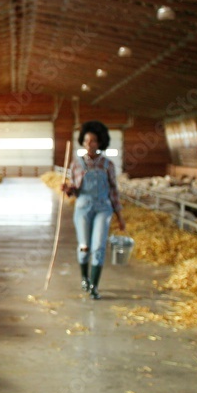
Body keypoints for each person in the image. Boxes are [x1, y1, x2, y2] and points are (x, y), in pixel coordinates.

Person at [62, 120, 126, 300]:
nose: (90, 145)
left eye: (94, 141)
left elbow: (113, 191)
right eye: (87, 141)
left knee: (98, 247)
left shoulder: (108, 165)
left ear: (100, 143)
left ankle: (94, 286)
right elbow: (74, 190)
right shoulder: (76, 164)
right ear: (83, 142)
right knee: (85, 246)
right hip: (83, 207)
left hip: (103, 208)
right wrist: (68, 189)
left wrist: (120, 216)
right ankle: (84, 278)